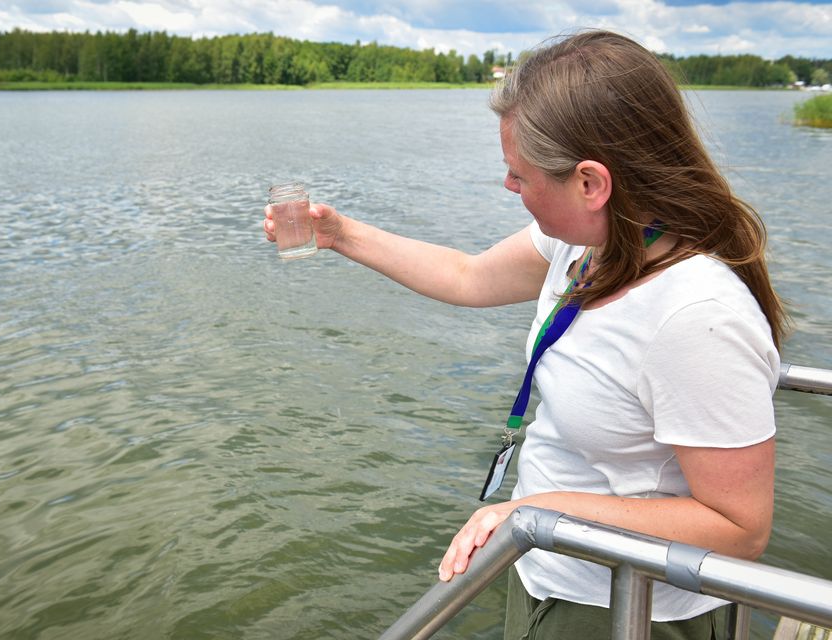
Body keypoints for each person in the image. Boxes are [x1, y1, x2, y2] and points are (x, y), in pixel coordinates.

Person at [263, 29, 788, 639]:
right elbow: (468, 276)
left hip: (627, 608)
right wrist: (340, 235)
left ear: (591, 183)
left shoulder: (697, 316)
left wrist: (540, 511)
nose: (509, 188)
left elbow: (740, 526)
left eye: (520, 175)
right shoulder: (587, 242)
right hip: (548, 565)